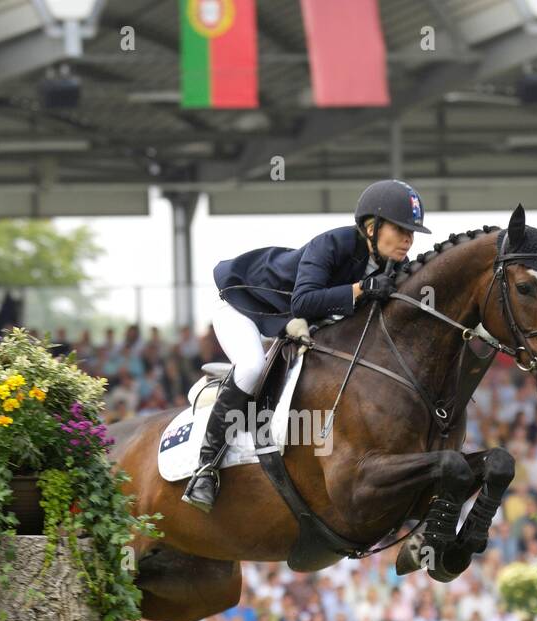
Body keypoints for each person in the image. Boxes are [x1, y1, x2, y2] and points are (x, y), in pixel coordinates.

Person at [183, 179, 431, 513]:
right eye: (400, 229)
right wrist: (361, 289)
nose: (408, 239)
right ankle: (205, 469)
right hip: (244, 304)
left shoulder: (392, 265)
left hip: (289, 318)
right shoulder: (332, 244)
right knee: (253, 366)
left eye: (412, 232)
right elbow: (304, 300)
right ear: (371, 227)